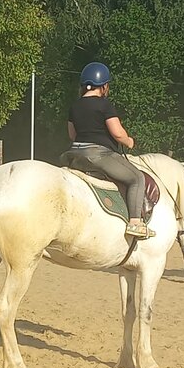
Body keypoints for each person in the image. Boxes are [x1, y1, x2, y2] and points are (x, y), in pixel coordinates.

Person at [64, 62, 153, 238]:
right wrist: (129, 141)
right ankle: (135, 223)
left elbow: (72, 135)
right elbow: (117, 133)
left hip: (75, 154)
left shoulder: (75, 106)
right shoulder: (104, 105)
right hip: (99, 155)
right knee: (137, 178)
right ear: (104, 86)